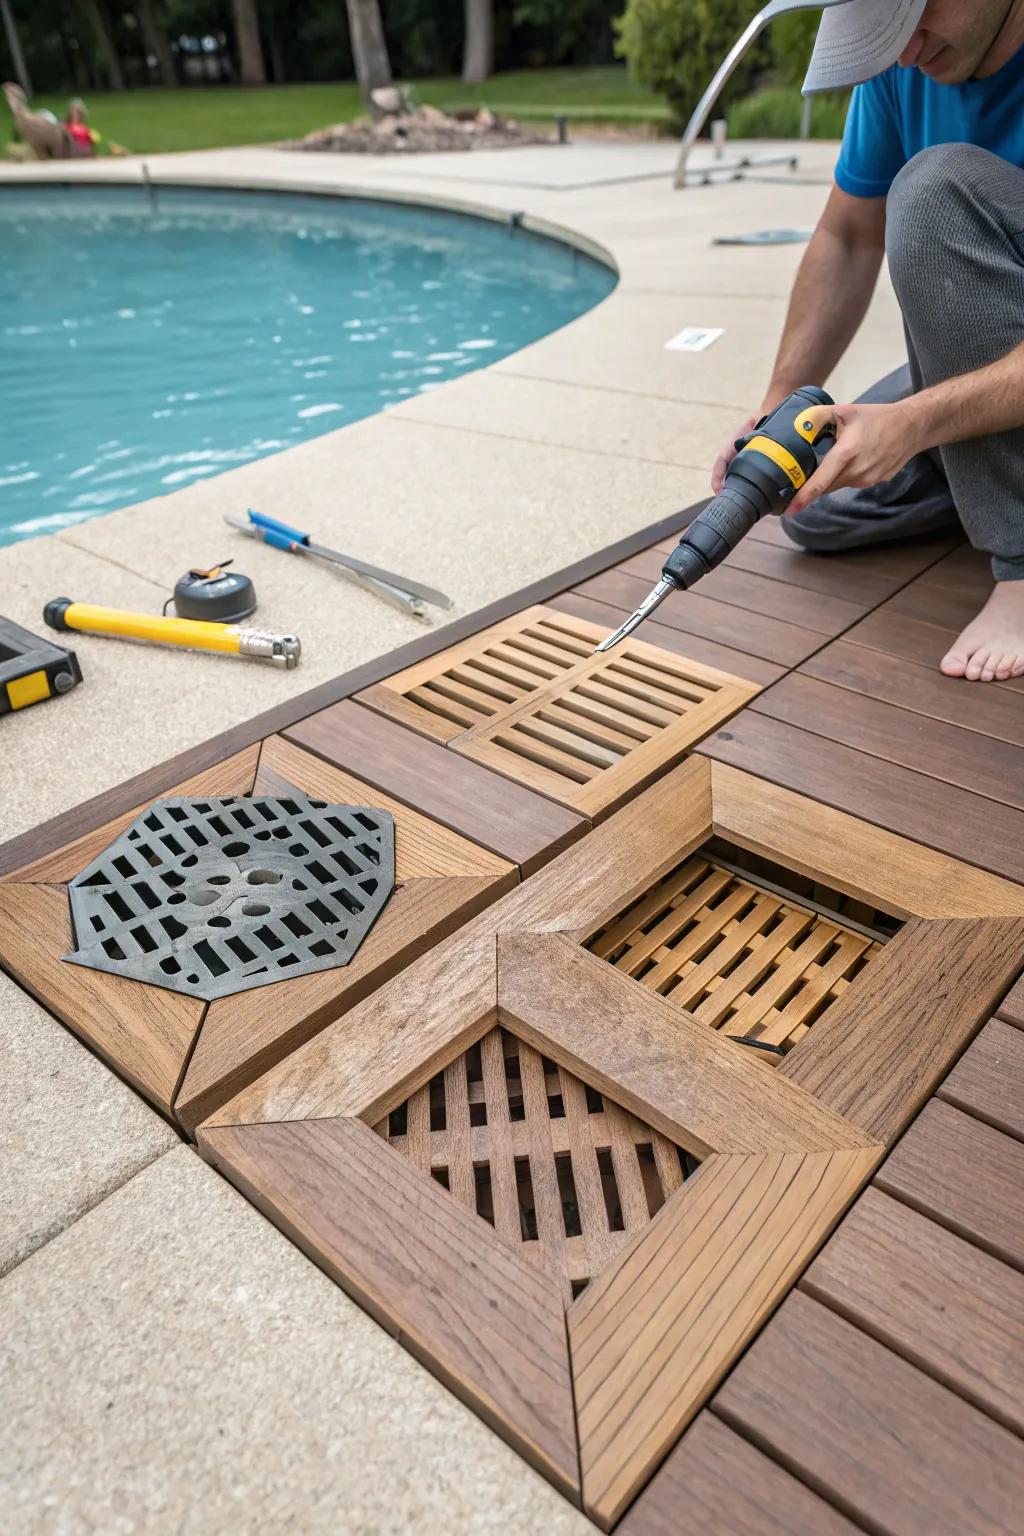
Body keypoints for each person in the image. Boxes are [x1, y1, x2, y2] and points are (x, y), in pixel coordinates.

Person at [713, 0, 1024, 682]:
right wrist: (776, 409)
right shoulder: (904, 63)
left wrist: (916, 423)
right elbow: (848, 236)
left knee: (933, 190)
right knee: (815, 506)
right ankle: (986, 474)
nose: (904, 52)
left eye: (911, 15)